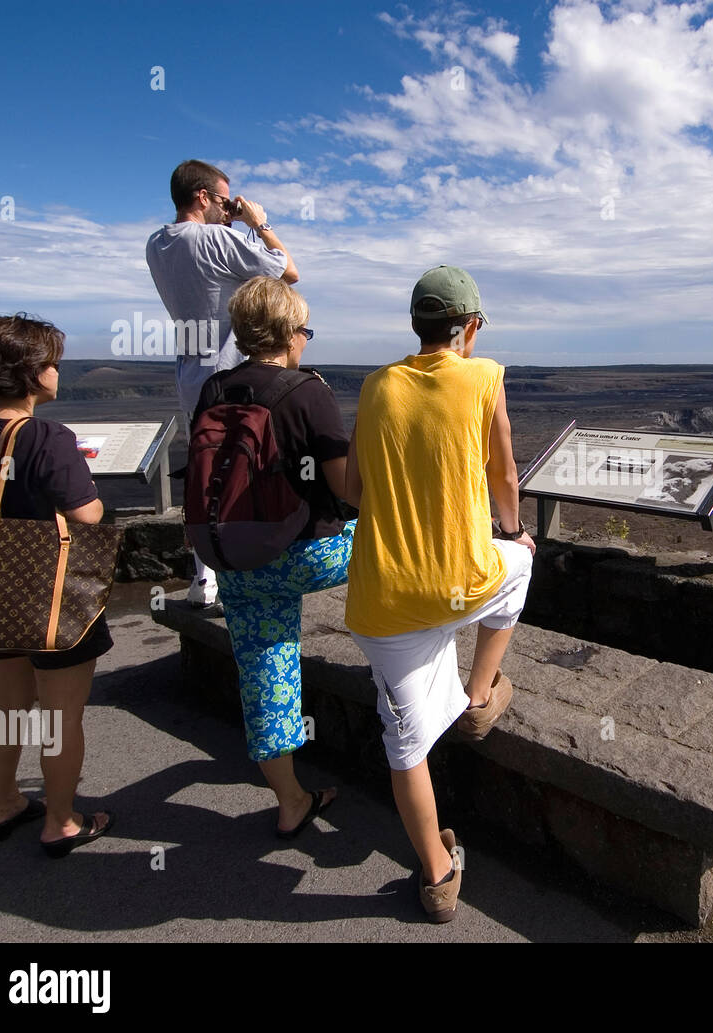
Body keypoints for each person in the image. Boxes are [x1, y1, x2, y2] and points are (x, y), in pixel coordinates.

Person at [345, 265, 535, 922]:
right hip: (461, 588)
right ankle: (480, 694)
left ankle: (436, 878)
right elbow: (505, 474)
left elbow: (353, 490)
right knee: (520, 565)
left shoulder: (375, 386)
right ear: (470, 327)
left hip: (383, 600)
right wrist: (513, 532)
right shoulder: (485, 378)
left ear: (417, 327)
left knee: (406, 744)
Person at [196, 277, 352, 838]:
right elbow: (348, 490)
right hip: (306, 553)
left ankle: (291, 801)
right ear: (288, 333)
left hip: (234, 553)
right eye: (305, 330)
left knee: (266, 670)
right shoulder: (306, 390)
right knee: (392, 534)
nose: (307, 340)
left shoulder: (214, 390)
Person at [0, 314, 115, 857]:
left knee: (9, 700)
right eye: (50, 361)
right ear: (28, 372)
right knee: (60, 713)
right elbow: (88, 515)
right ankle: (62, 820)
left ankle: (3, 802)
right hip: (52, 595)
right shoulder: (48, 437)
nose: (57, 370)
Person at [146, 159, 300, 610]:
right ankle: (248, 566)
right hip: (232, 373)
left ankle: (203, 578)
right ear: (201, 197)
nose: (226, 207)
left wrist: (231, 225)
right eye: (221, 199)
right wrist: (259, 223)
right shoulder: (218, 238)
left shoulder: (156, 243)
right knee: (246, 469)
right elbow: (287, 272)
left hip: (191, 374)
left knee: (203, 471)